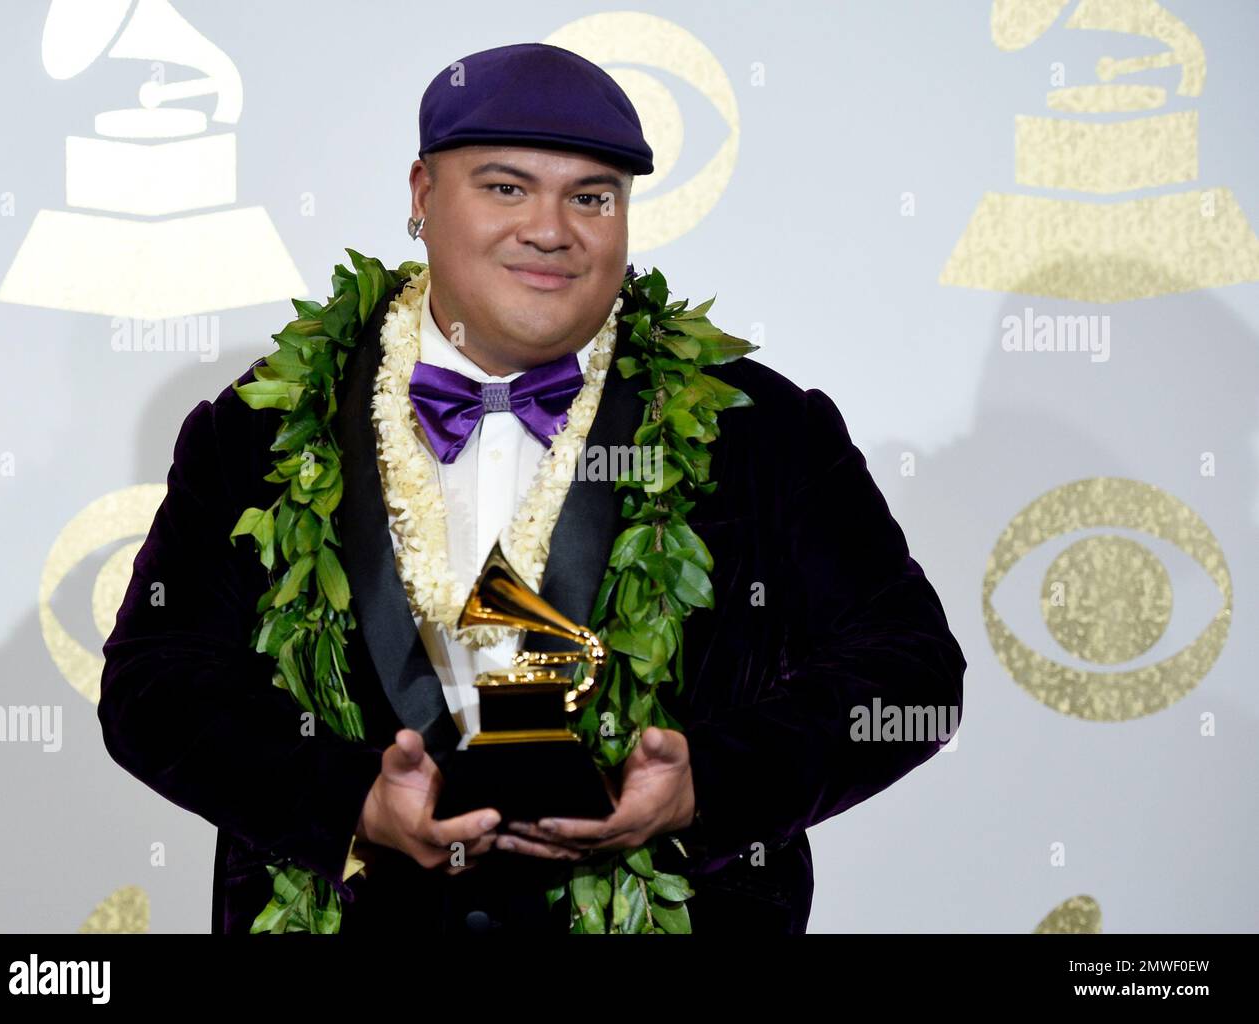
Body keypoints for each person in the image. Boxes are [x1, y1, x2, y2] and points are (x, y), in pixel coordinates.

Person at [98, 42, 966, 935]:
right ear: (422, 197)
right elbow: (155, 687)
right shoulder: (263, 428)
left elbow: (913, 678)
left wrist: (706, 784)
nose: (551, 229)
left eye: (592, 197)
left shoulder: (763, 428)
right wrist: (352, 800)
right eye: (506, 187)